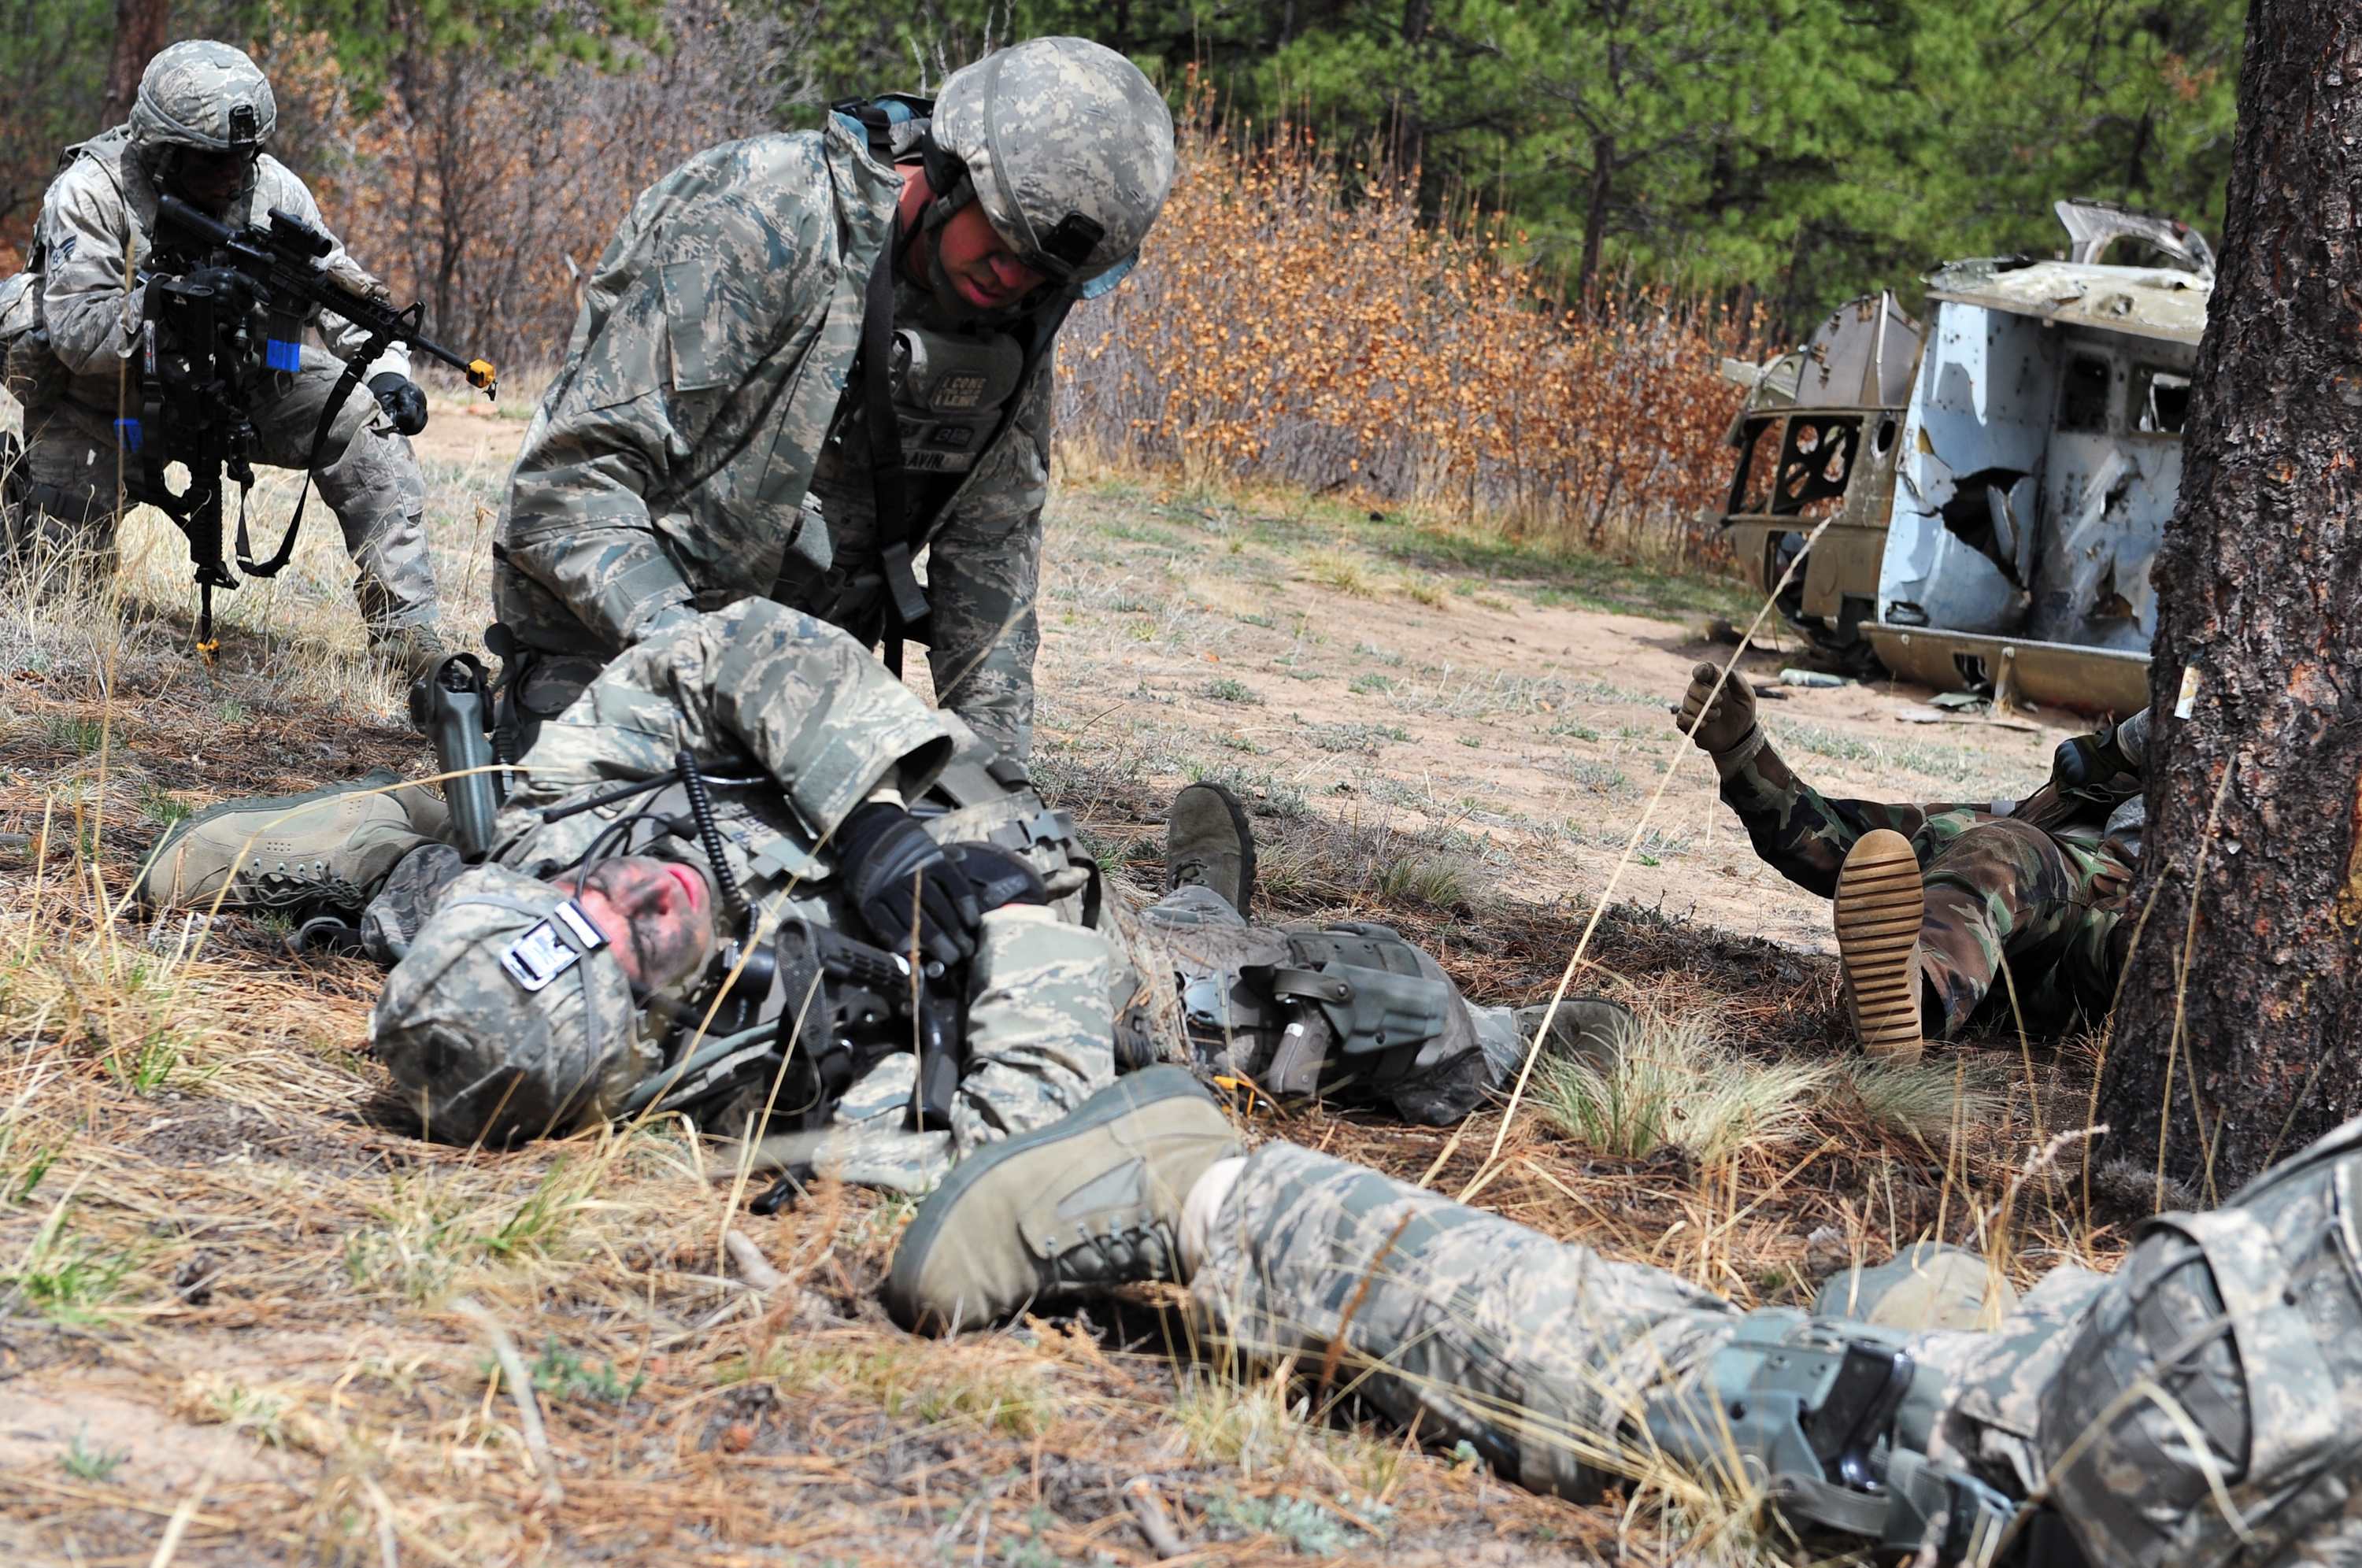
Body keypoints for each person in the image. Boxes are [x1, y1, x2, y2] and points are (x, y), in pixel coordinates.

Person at [135, 605, 1620, 1187]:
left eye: (589, 895)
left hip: (913, 798)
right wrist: (1029, 933)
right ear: (644, 1047)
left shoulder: (561, 829)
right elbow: (1026, 1141)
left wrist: (873, 825)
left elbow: (727, 649)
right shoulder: (766, 1105)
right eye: (633, 942)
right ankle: (1502, 1025)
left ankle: (1175, 894)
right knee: (1348, 1001)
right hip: (1063, 960)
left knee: (383, 839)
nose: (637, 893)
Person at [887, 1066, 2362, 1568]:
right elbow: (2211, 1376)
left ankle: (1931, 1339)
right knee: (1678, 1395)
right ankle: (1214, 1194)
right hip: (2193, 1436)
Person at [489, 36, 1176, 762]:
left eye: (1041, 271)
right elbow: (566, 489)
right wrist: (705, 661)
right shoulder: (767, 219)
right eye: (1004, 239)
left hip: (800, 689)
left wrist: (993, 776)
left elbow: (990, 550)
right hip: (621, 645)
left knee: (958, 866)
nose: (1011, 278)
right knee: (629, 863)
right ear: (949, 172)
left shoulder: (1012, 312)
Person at [0, 41, 449, 674]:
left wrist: (389, 371)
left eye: (243, 157)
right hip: (106, 410)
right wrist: (171, 303)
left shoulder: (274, 191)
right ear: (162, 152)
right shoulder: (90, 192)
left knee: (361, 419)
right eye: (212, 161)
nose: (232, 176)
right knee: (52, 600)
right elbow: (75, 332)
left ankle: (408, 632)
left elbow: (338, 291)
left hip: (237, 386)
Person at [1672, 664, 2149, 1060]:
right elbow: (1843, 842)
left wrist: (2121, 747)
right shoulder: (2071, 798)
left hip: (2109, 921)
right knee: (1918, 836)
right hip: (2037, 881)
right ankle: (1912, 982)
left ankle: (1914, 999)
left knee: (2002, 849)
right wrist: (1742, 751)